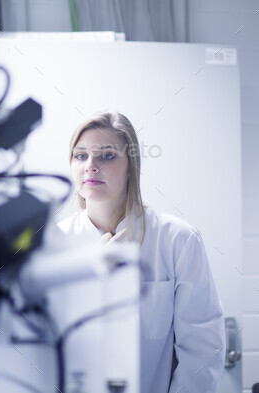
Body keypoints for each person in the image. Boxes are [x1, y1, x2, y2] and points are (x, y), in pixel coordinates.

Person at [58, 112, 225, 393]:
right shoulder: (53, 245)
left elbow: (203, 350)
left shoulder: (178, 240)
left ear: (130, 167)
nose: (91, 166)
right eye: (81, 155)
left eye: (107, 156)